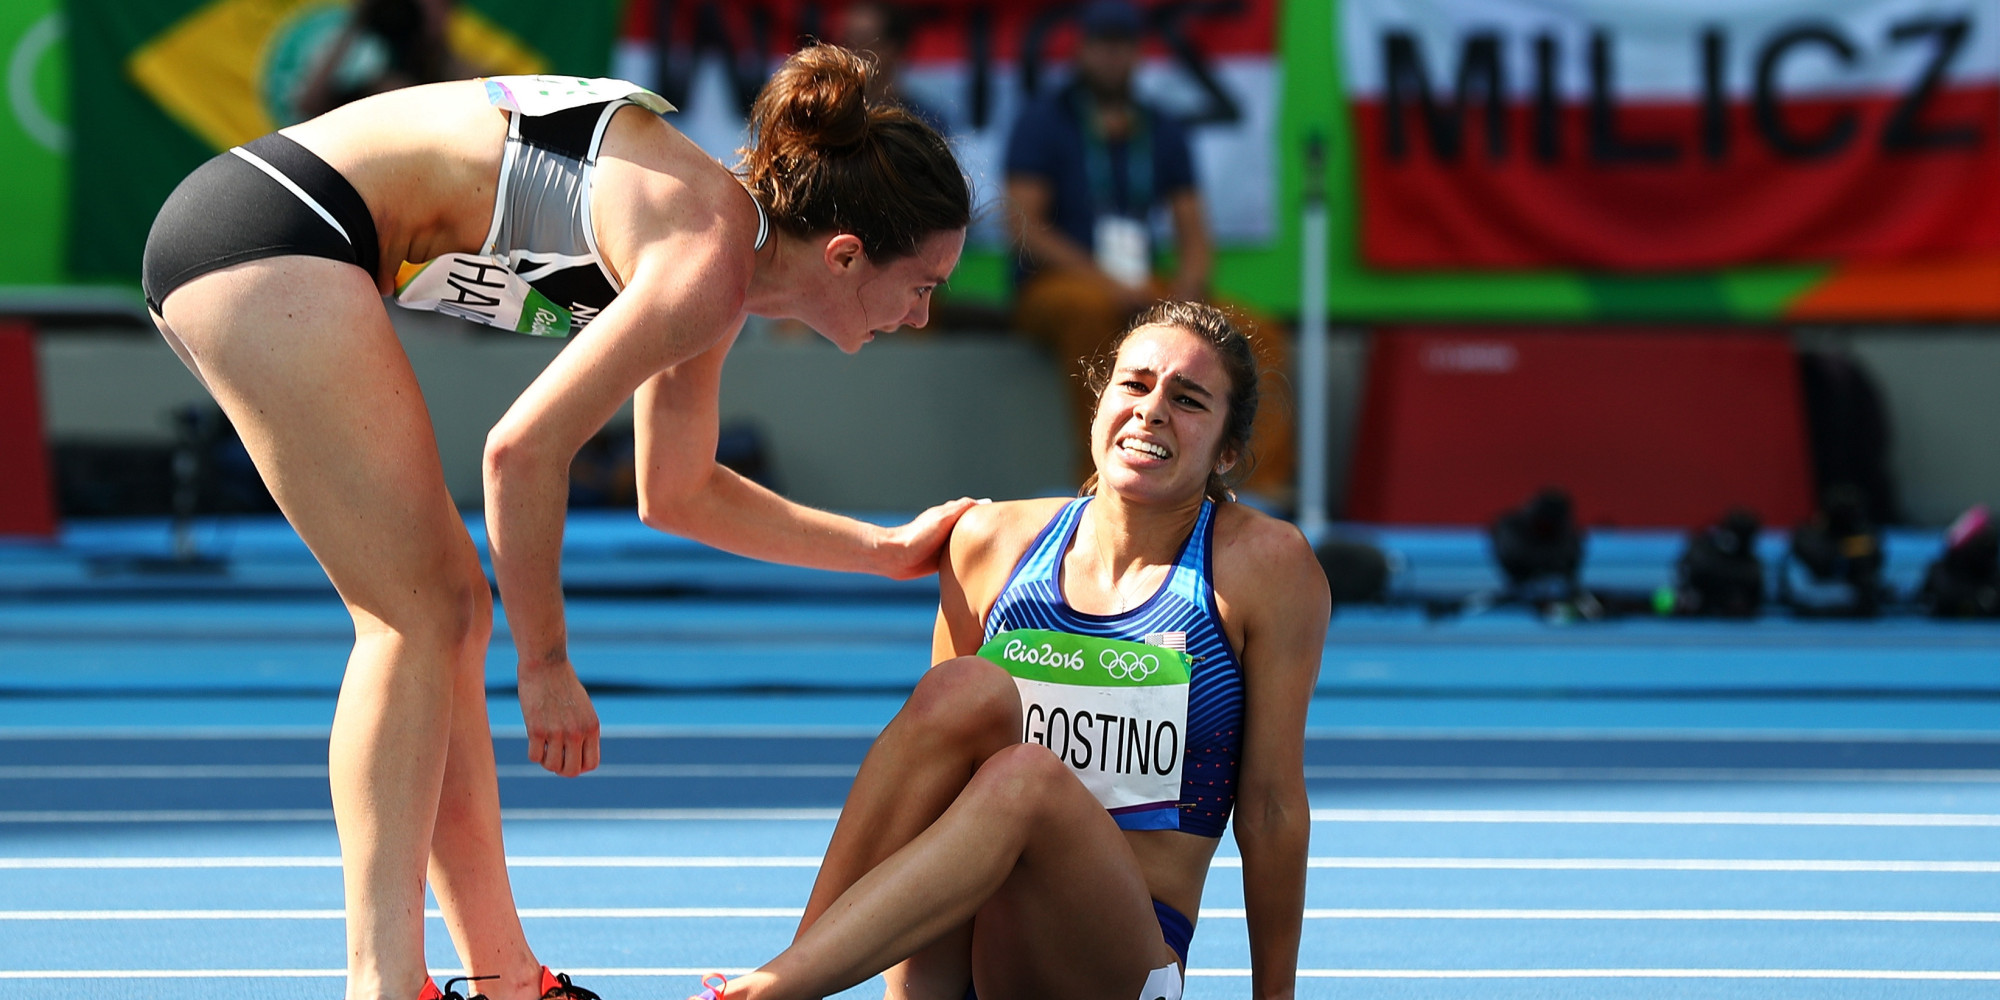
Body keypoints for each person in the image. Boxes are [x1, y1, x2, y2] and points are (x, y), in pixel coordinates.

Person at [140, 45, 975, 1000]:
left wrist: (883, 551)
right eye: (924, 284)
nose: (917, 317)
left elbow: (680, 490)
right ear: (844, 254)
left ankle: (504, 980)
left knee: (445, 614)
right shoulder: (704, 258)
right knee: (420, 615)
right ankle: (383, 984)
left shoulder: (717, 263)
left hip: (261, 230)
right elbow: (520, 453)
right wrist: (545, 665)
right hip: (273, 231)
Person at [682, 301, 1327, 1000]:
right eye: (1134, 385)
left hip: (1119, 962)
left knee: (1026, 781)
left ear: (1227, 451)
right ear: (1099, 403)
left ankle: (767, 992)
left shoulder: (1263, 567)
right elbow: (926, 780)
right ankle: (791, 979)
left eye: (1189, 399)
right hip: (963, 945)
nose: (1153, 410)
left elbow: (1270, 811)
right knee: (962, 693)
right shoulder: (991, 542)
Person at [1003, 0, 1294, 505]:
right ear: (1082, 49)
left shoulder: (1161, 126)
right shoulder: (1044, 119)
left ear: (1138, 54)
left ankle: (1252, 493)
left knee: (1256, 332)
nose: (1113, 57)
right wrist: (1109, 284)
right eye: (1102, 45)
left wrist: (1188, 292)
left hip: (1142, 285)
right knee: (1092, 315)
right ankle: (1099, 479)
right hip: (1061, 287)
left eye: (1124, 46)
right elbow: (1024, 227)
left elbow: (1194, 230)